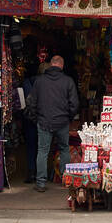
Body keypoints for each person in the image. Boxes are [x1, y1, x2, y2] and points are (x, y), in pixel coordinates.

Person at [33, 55, 79, 192]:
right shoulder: (68, 81)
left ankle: (41, 183)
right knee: (64, 149)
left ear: (50, 65)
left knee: (42, 151)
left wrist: (37, 117)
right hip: (62, 121)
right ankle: (65, 179)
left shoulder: (39, 81)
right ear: (62, 65)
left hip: (44, 121)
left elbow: (31, 102)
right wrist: (68, 118)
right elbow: (74, 104)